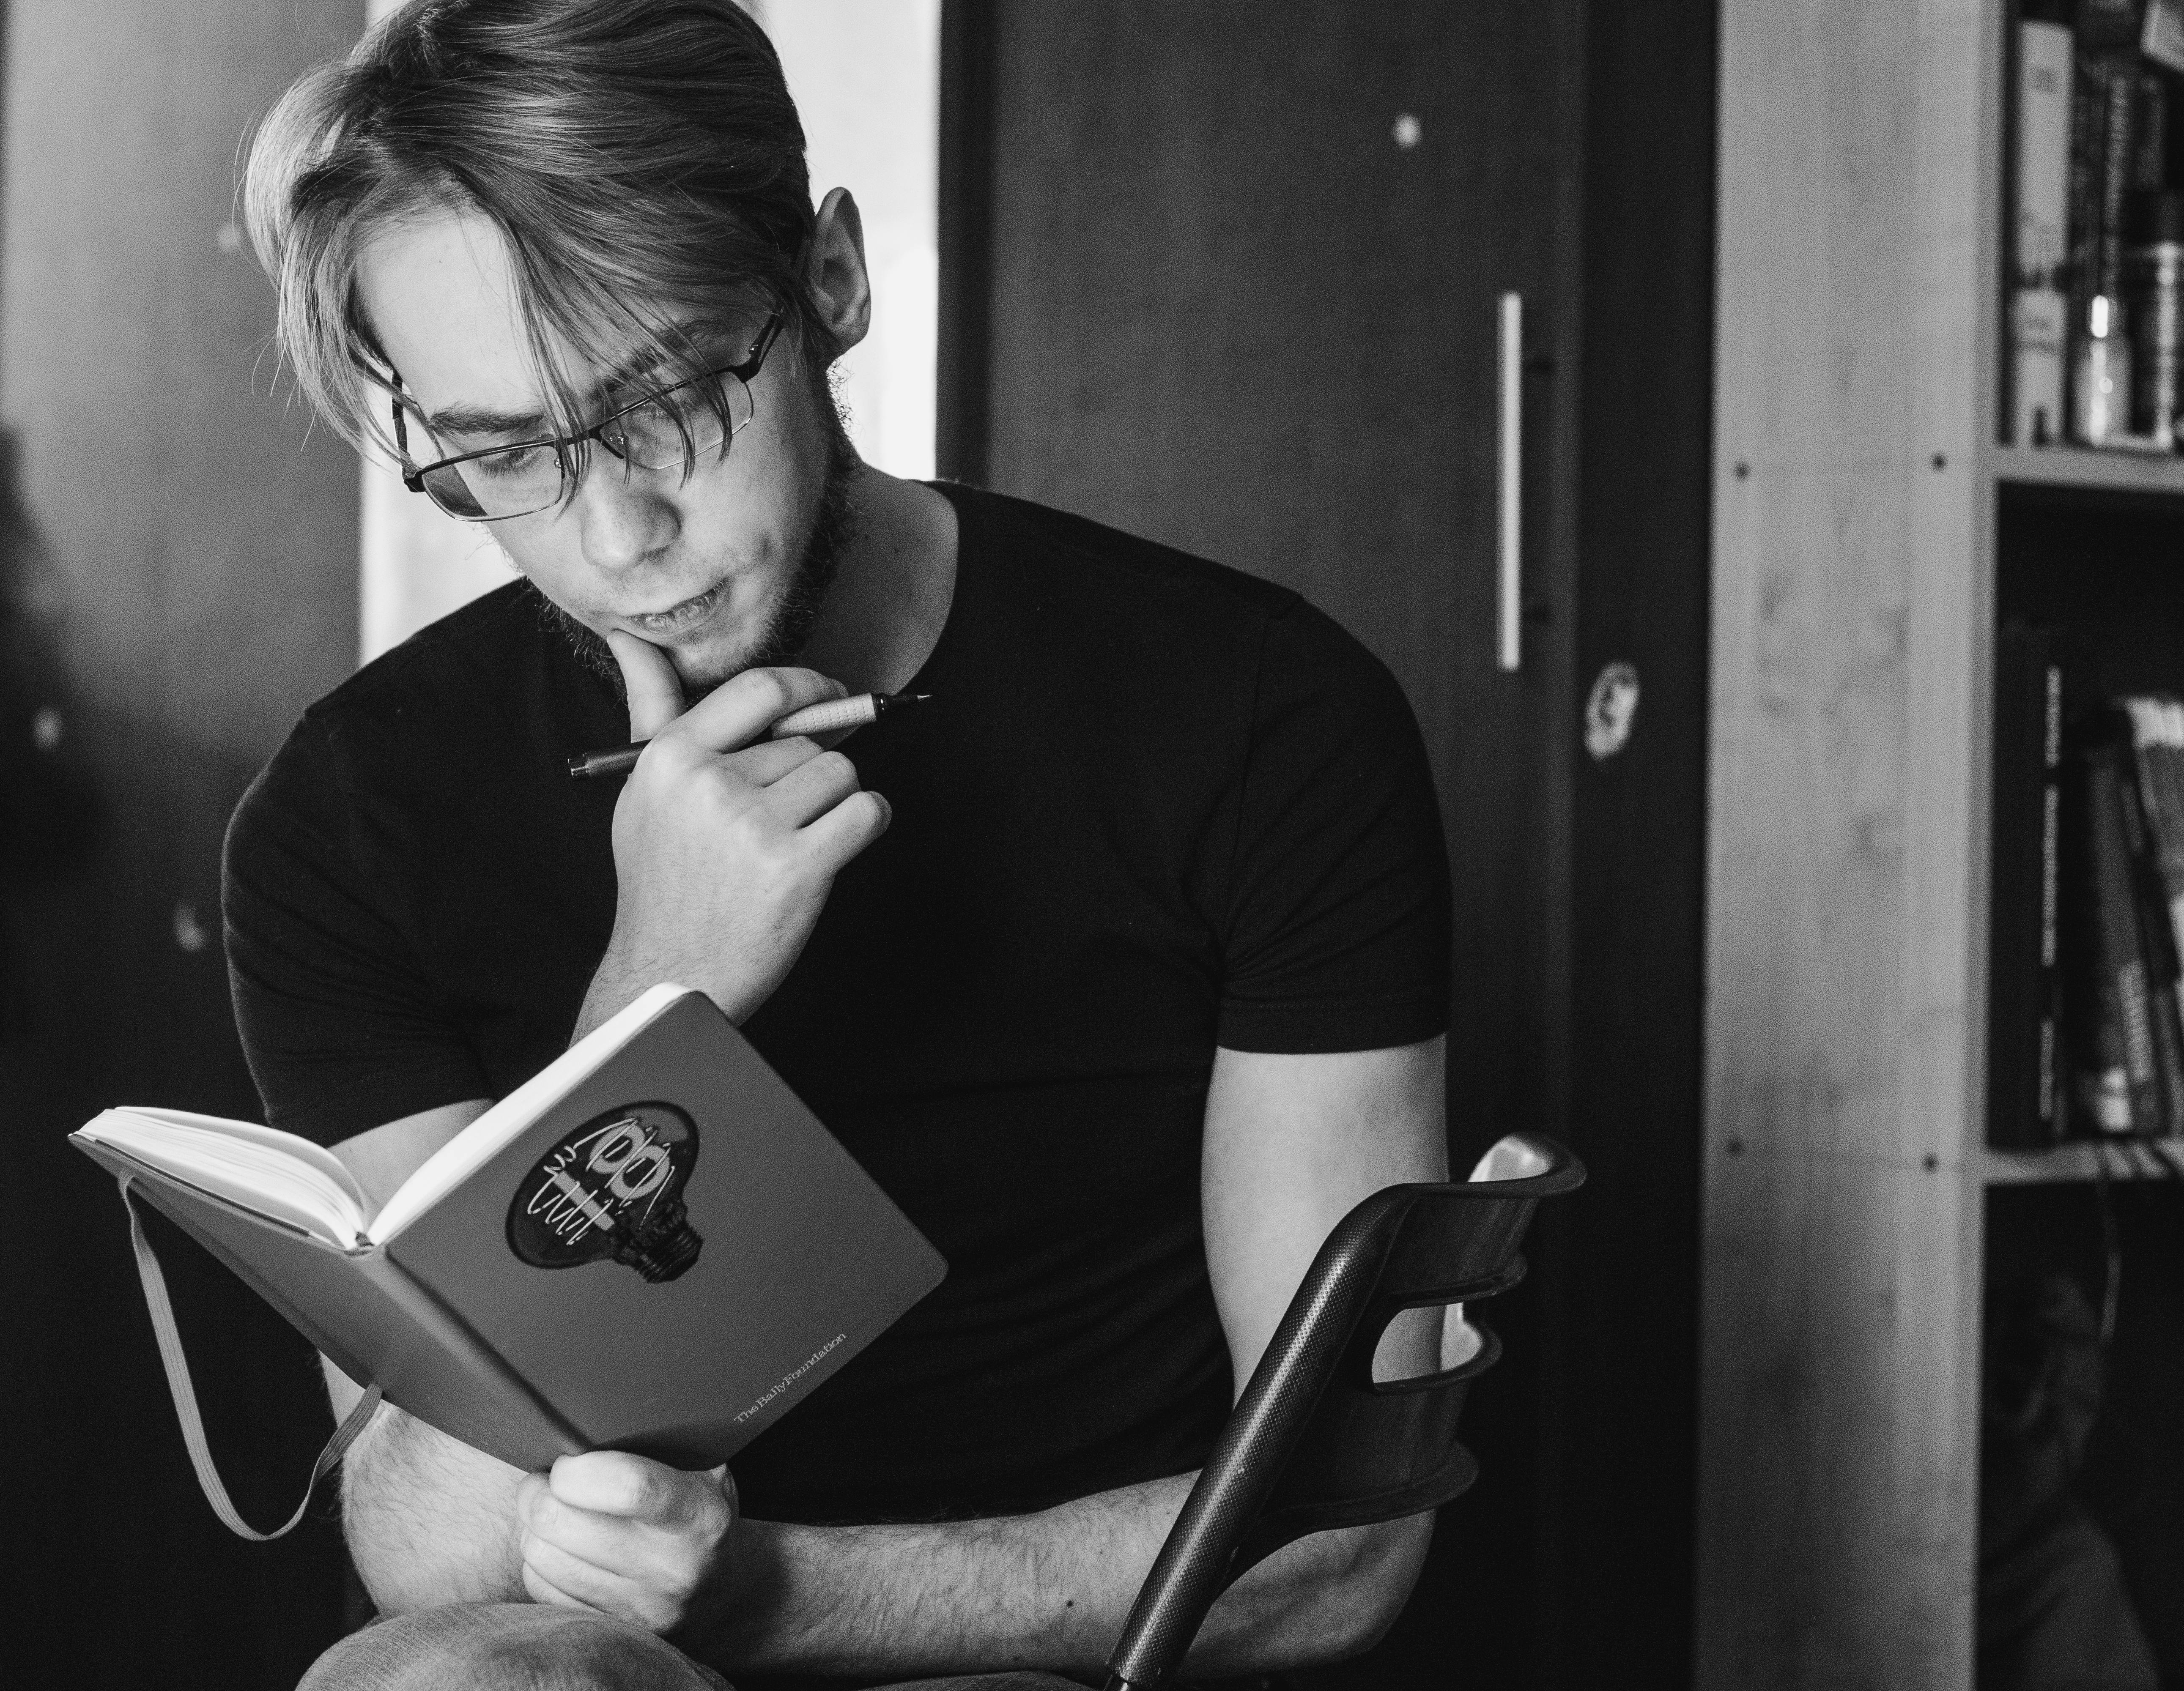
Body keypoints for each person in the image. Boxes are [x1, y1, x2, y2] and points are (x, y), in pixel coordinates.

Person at [223, 2, 1456, 1686]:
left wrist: (775, 1597)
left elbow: (1340, 1544)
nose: (613, 533)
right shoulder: (350, 818)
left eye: (661, 399)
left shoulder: (1260, 714)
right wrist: (659, 1002)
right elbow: (423, 1556)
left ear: (832, 287)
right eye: (506, 452)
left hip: (1100, 1646)